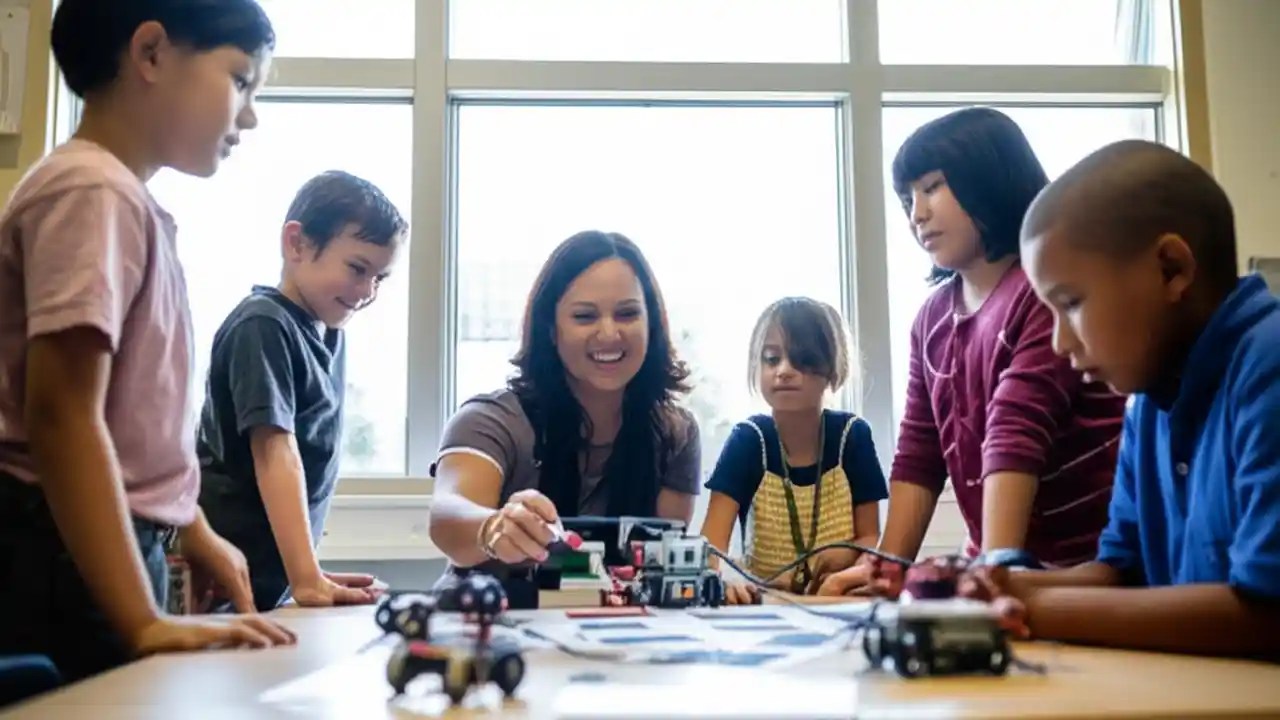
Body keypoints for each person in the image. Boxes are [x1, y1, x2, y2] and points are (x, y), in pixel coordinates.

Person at [0, 0, 295, 684]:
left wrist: (193, 530)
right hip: (54, 545)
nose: (248, 115)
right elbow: (63, 415)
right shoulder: (89, 190)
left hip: (98, 540)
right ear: (153, 54)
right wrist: (141, 619)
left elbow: (126, 426)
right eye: (241, 80)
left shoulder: (120, 199)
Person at [959, 139, 1280, 658]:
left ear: (1171, 269)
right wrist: (999, 587)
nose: (1060, 342)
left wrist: (1031, 612)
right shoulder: (1148, 401)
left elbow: (1266, 616)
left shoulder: (1269, 362)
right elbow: (1123, 572)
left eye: (1071, 303)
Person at [819, 107, 1127, 597]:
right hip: (995, 569)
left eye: (933, 186)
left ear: (991, 175)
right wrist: (886, 568)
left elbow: (1015, 432)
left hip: (1087, 576)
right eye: (907, 199)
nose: (917, 212)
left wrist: (992, 578)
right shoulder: (931, 320)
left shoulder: (1044, 290)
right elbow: (920, 452)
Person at [428, 230, 701, 579]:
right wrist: (494, 528)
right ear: (551, 331)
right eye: (585, 316)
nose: (608, 333)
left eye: (628, 314)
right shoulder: (490, 420)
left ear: (653, 325)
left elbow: (657, 565)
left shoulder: (675, 432)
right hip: (491, 622)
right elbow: (447, 516)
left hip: (613, 625)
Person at [197, 170, 407, 611]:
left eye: (380, 278)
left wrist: (307, 571)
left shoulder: (329, 333)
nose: (367, 291)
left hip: (272, 583)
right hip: (223, 584)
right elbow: (275, 452)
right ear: (296, 243)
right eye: (357, 268)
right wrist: (306, 578)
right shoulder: (263, 324)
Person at [700, 297, 888, 604]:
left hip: (839, 598)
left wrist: (845, 570)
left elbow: (870, 538)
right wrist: (725, 581)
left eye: (802, 360)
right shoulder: (749, 440)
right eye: (772, 359)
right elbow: (711, 547)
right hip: (763, 602)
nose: (784, 371)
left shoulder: (853, 436)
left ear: (831, 368)